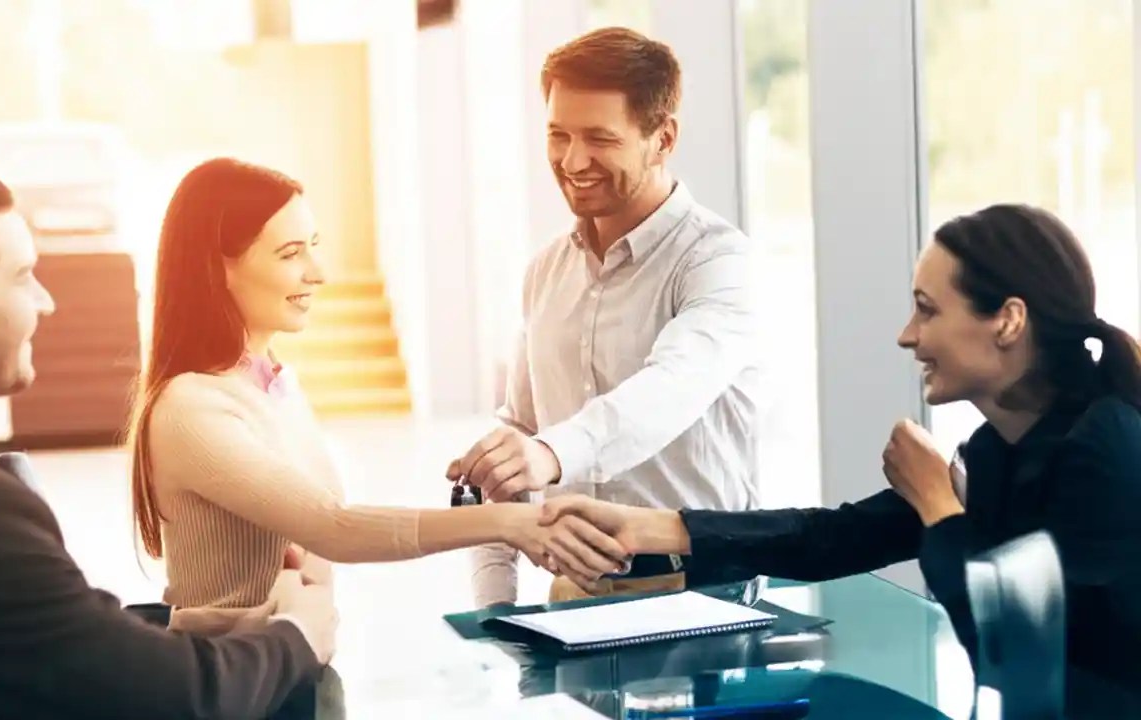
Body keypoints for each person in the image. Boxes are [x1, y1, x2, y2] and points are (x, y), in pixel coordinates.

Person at [538, 204, 1141, 708]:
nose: (908, 335)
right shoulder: (995, 452)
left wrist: (935, 503)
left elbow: (1015, 653)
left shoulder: (1109, 450)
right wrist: (651, 529)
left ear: (1007, 321)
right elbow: (831, 537)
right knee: (822, 697)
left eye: (928, 309)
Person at [0, 167, 339, 718]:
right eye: (22, 278)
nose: (46, 303)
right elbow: (169, 700)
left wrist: (164, 629)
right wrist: (297, 635)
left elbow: (18, 632)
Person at [128, 158, 626, 621]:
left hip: (291, 665)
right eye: (289, 253)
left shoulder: (272, 384)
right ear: (218, 267)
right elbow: (334, 527)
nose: (317, 273)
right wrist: (508, 523)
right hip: (228, 687)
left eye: (314, 245)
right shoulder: (190, 407)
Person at [447, 27, 764, 607]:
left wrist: (550, 453)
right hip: (574, 595)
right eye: (558, 135)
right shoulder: (546, 271)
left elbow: (670, 388)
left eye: (599, 138)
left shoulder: (718, 261)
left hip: (702, 591)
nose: (572, 160)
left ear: (662, 138)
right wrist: (494, 602)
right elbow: (520, 433)